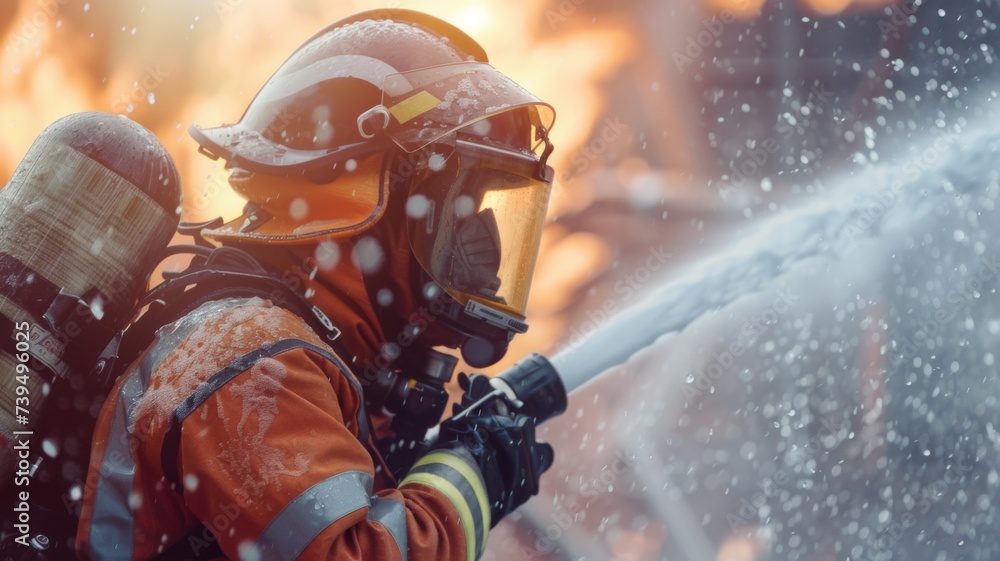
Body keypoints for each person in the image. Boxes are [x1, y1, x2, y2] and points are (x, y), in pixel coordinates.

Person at [75, 9, 560, 561]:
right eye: (458, 205)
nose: (484, 244)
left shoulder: (299, 351)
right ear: (358, 198)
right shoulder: (255, 358)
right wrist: (470, 478)